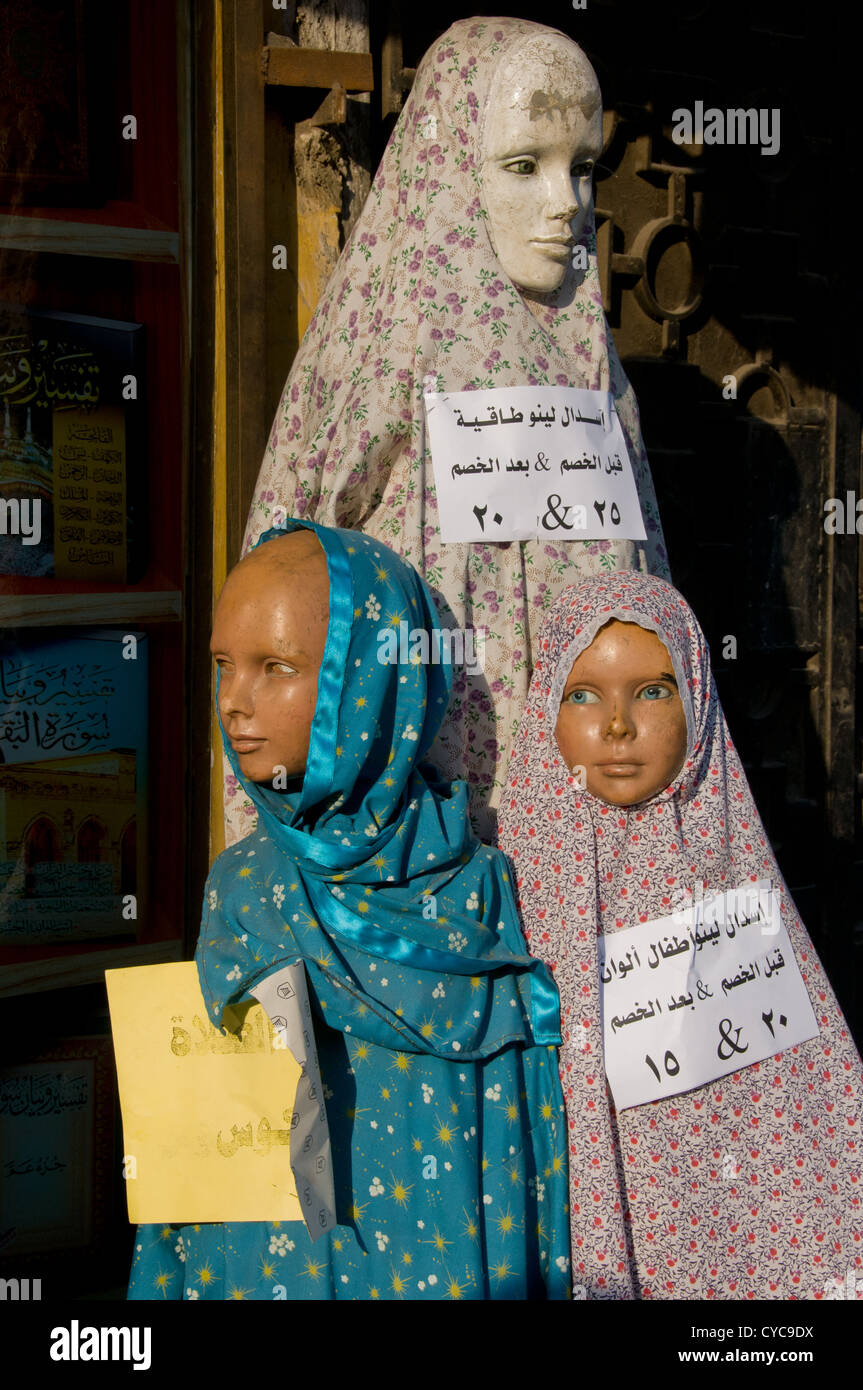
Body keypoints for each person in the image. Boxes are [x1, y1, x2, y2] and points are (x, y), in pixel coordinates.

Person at [228, 16, 669, 848]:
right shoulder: (389, 340)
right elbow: (285, 568)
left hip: (595, 802)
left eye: (580, 169)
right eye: (521, 165)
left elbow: (645, 574)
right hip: (427, 818)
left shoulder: (591, 359)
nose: (563, 206)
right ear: (449, 168)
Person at [128, 520, 571, 1300]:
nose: (235, 702)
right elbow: (200, 1165)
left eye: (276, 667)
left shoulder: (476, 890)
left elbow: (515, 1133)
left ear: (370, 679)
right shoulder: (240, 886)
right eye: (224, 666)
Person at [498, 571, 863, 1299]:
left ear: (697, 699)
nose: (616, 725)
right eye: (582, 694)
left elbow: (798, 1114)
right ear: (545, 708)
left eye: (653, 690)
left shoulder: (734, 883)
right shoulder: (496, 895)